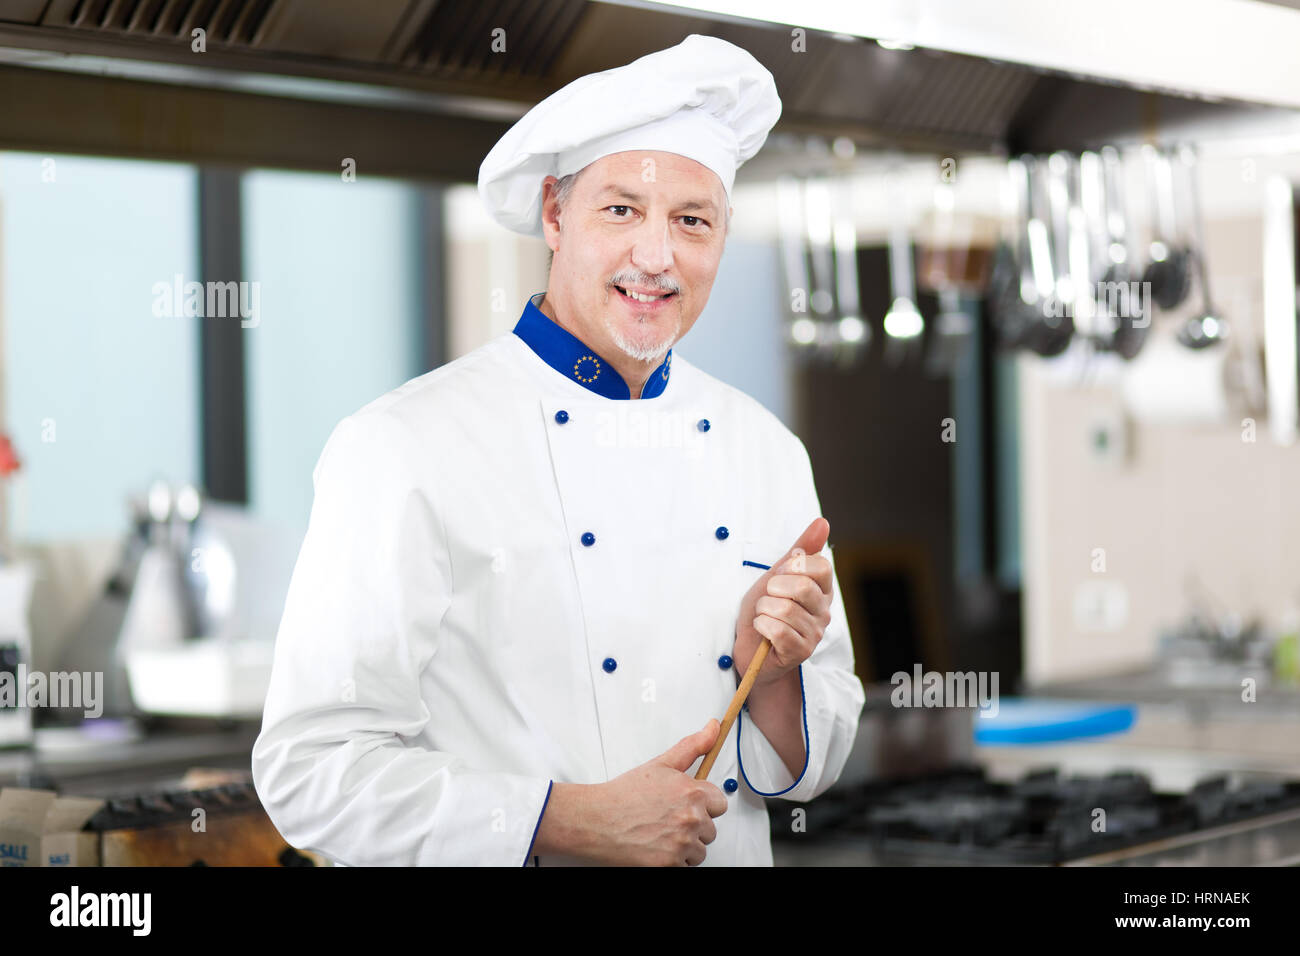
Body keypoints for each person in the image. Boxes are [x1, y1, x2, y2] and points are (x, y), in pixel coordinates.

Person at [252, 34, 865, 867]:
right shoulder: (401, 446)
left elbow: (810, 762)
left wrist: (780, 676)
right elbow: (311, 772)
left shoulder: (769, 449)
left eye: (692, 221)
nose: (656, 258)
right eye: (622, 211)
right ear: (553, 214)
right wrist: (562, 819)